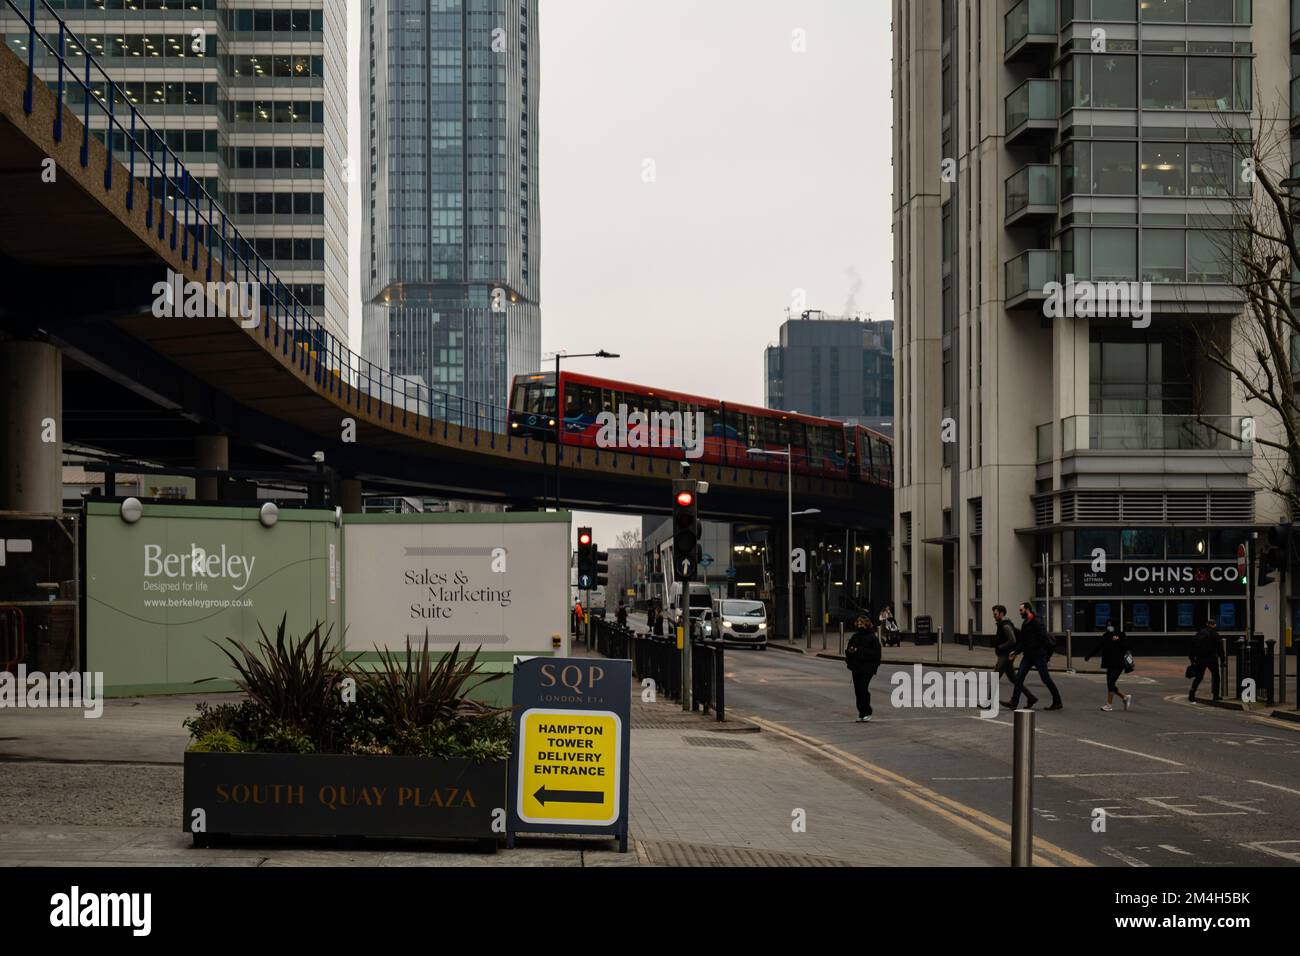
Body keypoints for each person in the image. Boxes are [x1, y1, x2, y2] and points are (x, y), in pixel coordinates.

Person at [1008, 600, 1063, 711]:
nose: (1020, 613)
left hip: (1038, 655)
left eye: (1021, 610)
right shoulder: (1025, 623)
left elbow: (1044, 639)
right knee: (1019, 678)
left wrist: (1046, 656)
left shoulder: (1037, 621)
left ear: (1027, 609)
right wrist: (1015, 652)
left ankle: (1057, 701)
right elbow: (1023, 641)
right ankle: (1013, 702)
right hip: (1028, 656)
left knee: (1046, 679)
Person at [993, 605, 1036, 709]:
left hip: (1006, 655)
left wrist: (1000, 647)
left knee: (995, 677)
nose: (994, 616)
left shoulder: (1005, 626)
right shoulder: (1001, 624)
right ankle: (1031, 697)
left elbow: (1012, 640)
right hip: (1006, 654)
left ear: (1002, 613)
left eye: (995, 614)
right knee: (1014, 679)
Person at [1085, 618, 1132, 712]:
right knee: (1110, 684)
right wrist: (1089, 655)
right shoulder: (1105, 636)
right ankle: (1125, 697)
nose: (1109, 626)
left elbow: (1126, 646)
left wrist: (1118, 640)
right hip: (1109, 663)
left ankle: (1109, 705)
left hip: (1119, 664)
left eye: (1111, 624)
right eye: (1108, 624)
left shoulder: (1120, 634)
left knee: (1111, 682)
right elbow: (1098, 647)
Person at [844, 616, 883, 722]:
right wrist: (850, 651)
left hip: (868, 668)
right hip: (856, 667)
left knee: (863, 688)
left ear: (867, 625)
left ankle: (867, 711)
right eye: (858, 624)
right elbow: (848, 650)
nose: (860, 625)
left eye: (862, 624)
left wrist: (859, 650)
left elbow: (875, 654)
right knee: (857, 690)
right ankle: (861, 713)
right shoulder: (855, 637)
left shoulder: (872, 638)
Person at [1188, 617, 1224, 703]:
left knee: (1199, 677)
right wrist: (1223, 659)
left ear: (1207, 624)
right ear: (1214, 625)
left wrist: (1192, 659)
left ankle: (1192, 694)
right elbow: (1220, 648)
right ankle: (1215, 696)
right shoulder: (1215, 634)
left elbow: (1192, 646)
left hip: (1200, 659)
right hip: (1211, 659)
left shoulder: (1199, 633)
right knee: (1216, 676)